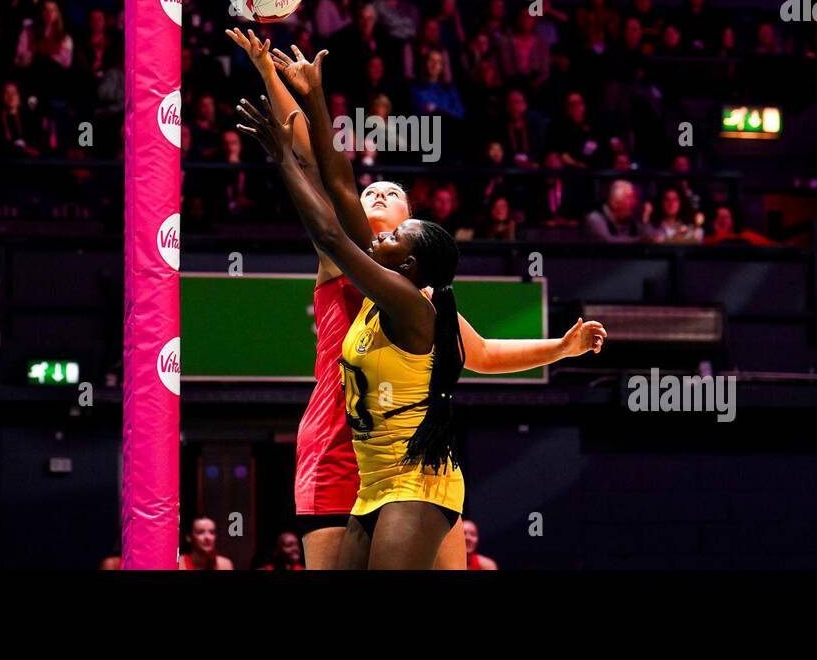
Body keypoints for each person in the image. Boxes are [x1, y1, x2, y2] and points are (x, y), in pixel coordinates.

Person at [228, 30, 603, 568]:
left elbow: (483, 355)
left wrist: (561, 351)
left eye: (393, 195)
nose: (377, 193)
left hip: (412, 457)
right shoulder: (356, 256)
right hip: (341, 443)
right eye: (370, 192)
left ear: (412, 239)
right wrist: (272, 73)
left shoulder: (419, 298)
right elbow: (320, 165)